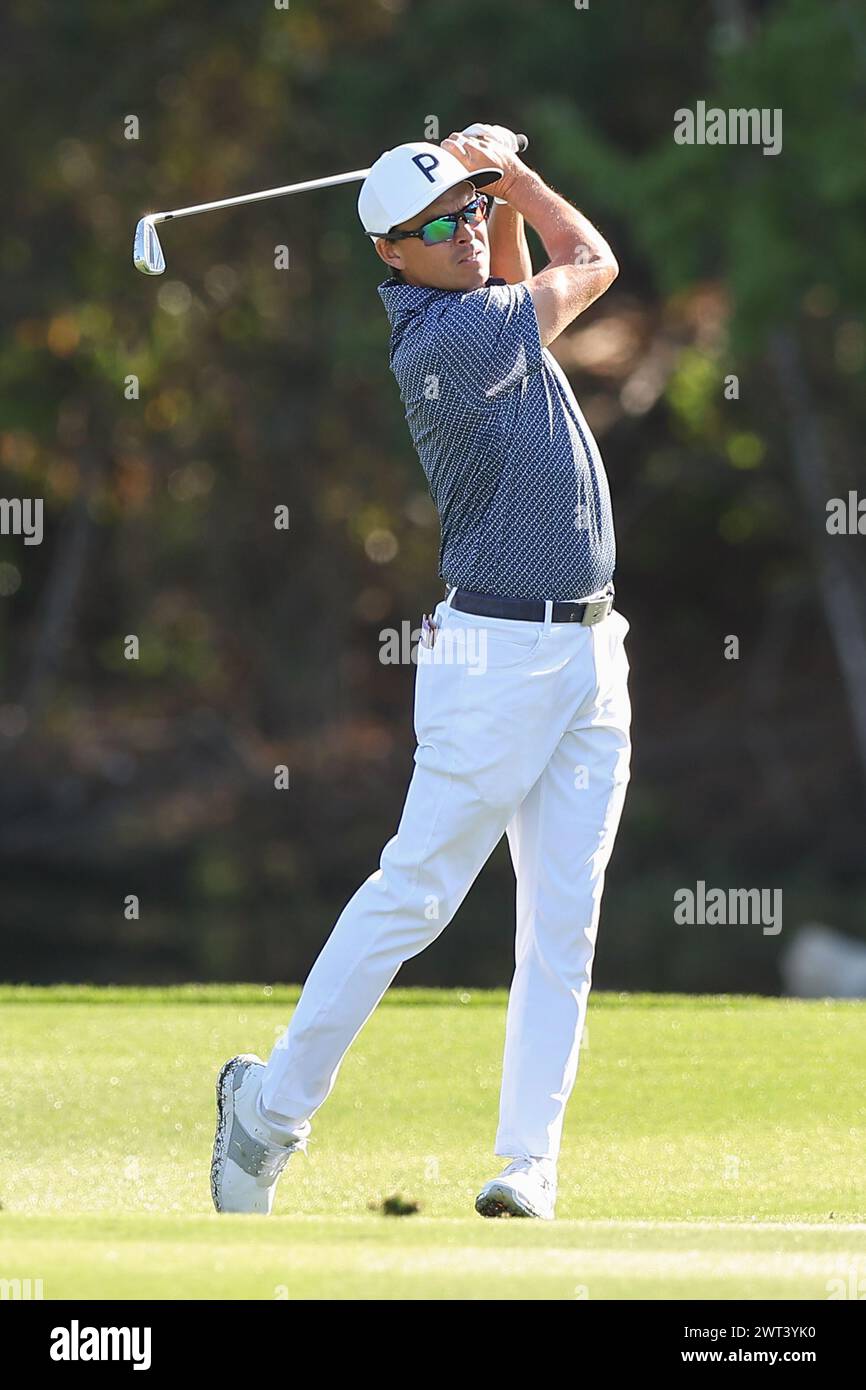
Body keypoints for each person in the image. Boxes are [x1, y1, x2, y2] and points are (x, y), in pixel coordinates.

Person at [211, 126, 632, 1220]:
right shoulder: (448, 337)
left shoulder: (485, 309)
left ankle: (525, 1162)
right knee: (416, 893)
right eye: (442, 226)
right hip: (497, 659)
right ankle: (267, 1111)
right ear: (392, 256)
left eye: (477, 212)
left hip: (589, 650)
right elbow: (591, 262)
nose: (470, 235)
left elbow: (553, 264)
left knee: (562, 920)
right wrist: (528, 177)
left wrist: (492, 181)